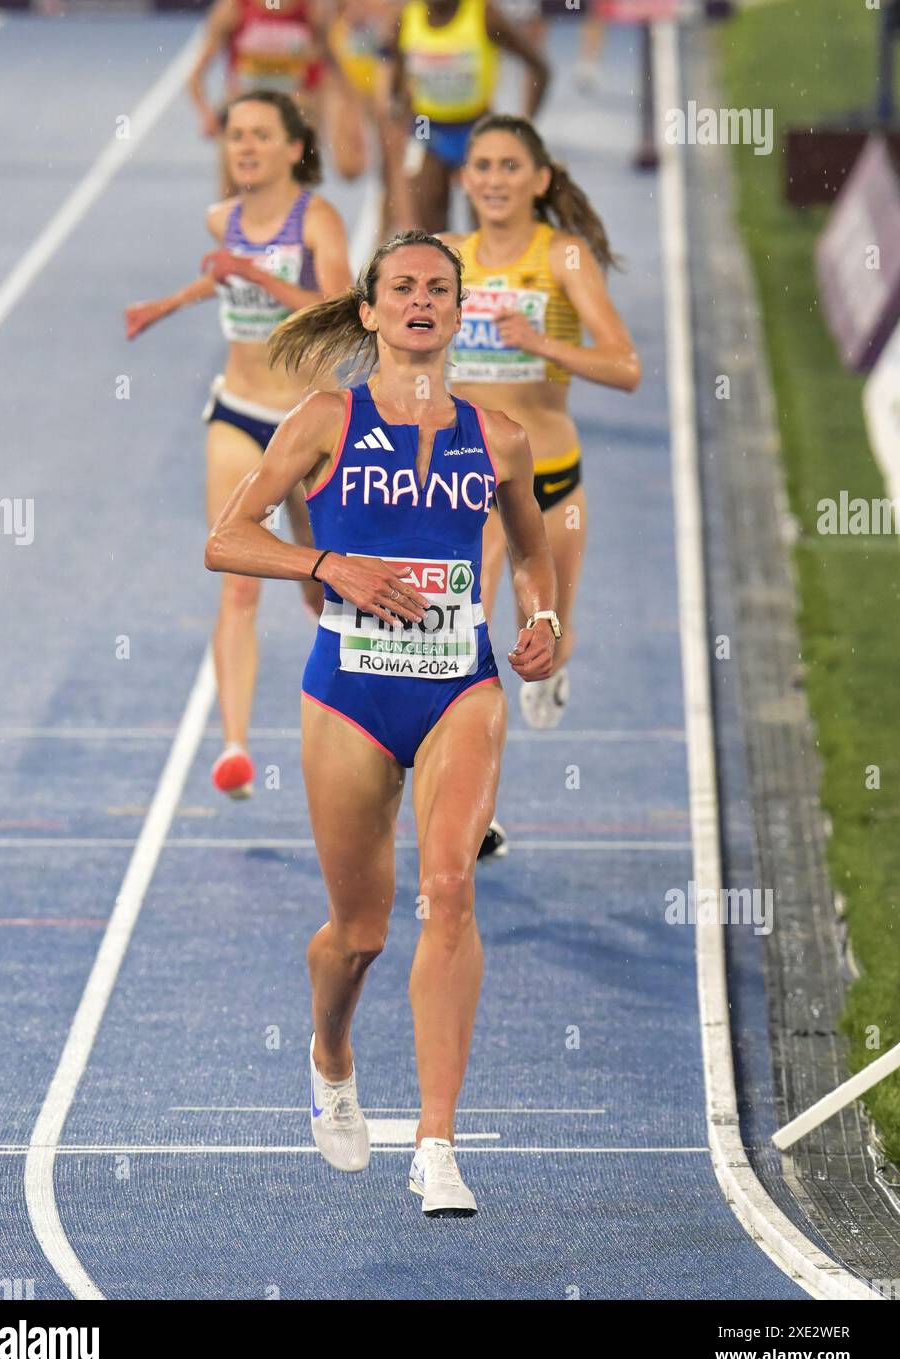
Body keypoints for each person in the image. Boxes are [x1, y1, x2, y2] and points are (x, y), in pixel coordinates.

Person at [205, 230, 560, 1216]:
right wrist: (328, 567)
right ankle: (330, 1052)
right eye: (400, 287)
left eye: (436, 290)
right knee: (359, 932)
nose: (418, 300)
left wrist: (541, 619)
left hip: (460, 688)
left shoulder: (498, 438)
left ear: (456, 314)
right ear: (368, 311)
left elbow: (530, 554)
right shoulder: (325, 418)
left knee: (448, 889)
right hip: (350, 693)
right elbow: (225, 537)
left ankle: (437, 1145)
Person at [125, 91, 351, 800]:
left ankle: (358, 709)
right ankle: (235, 748)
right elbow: (225, 276)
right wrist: (172, 302)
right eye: (233, 136)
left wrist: (257, 274)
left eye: (258, 135)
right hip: (240, 413)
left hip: (310, 427)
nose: (243, 147)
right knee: (240, 583)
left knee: (324, 588)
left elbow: (342, 311)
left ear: (293, 147)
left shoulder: (317, 219)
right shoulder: (220, 217)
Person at [441, 114, 641, 857]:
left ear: (540, 180)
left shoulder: (563, 257)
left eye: (509, 167)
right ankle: (477, 814)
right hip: (468, 481)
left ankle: (553, 670)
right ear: (465, 179)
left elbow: (625, 367)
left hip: (550, 479)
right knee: (466, 641)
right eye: (482, 166)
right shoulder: (448, 258)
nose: (494, 180)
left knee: (542, 639)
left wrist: (541, 343)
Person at [390, 0, 550, 233]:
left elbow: (539, 67)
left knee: (486, 229)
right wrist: (399, 113)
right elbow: (396, 81)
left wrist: (524, 125)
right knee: (433, 234)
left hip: (476, 129)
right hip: (428, 129)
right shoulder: (406, 19)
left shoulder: (485, 15)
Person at [187, 0, 326, 195]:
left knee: (291, 204)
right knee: (230, 201)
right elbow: (195, 76)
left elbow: (331, 73)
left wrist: (317, 119)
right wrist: (206, 115)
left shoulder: (312, 11)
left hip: (290, 120)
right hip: (245, 117)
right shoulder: (234, 8)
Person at [322, 0, 415, 236]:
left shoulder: (398, 11)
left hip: (385, 89)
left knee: (393, 165)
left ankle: (394, 228)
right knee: (349, 168)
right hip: (348, 86)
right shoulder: (334, 12)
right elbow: (321, 34)